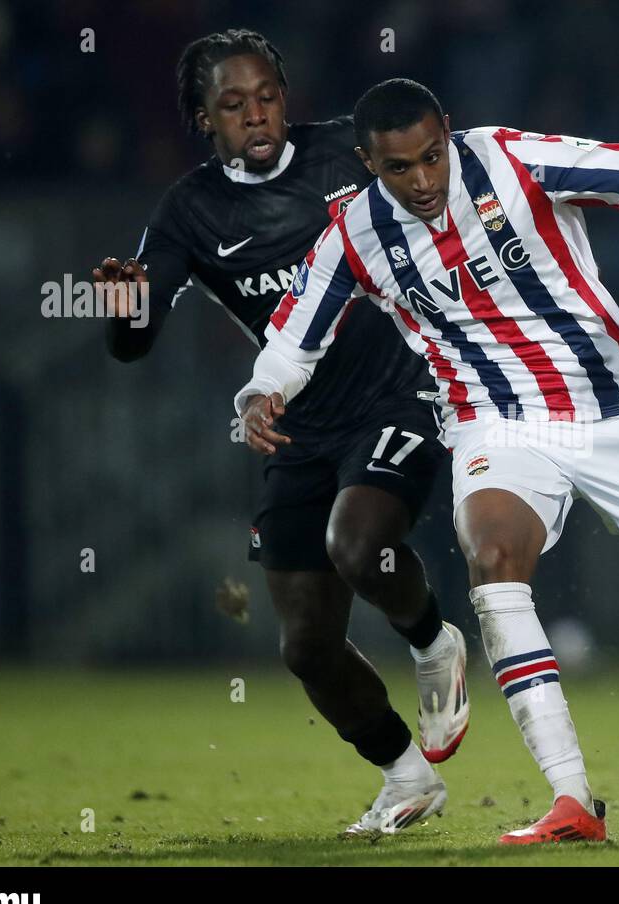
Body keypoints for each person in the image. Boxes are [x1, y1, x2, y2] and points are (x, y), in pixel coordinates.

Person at [237, 78, 619, 845]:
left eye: (432, 158)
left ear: (449, 135)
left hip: (618, 412)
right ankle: (572, 800)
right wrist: (263, 393)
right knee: (493, 562)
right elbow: (294, 335)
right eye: (400, 168)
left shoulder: (510, 160)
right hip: (496, 425)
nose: (423, 181)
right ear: (369, 163)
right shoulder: (355, 234)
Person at [95, 33, 468, 836]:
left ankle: (434, 641)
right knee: (305, 647)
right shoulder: (190, 212)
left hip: (397, 394)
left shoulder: (347, 153)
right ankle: (406, 778)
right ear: (205, 120)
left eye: (265, 96)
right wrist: (124, 309)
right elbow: (135, 339)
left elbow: (449, 185)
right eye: (233, 105)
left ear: (285, 97)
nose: (255, 114)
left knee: (358, 543)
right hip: (293, 427)